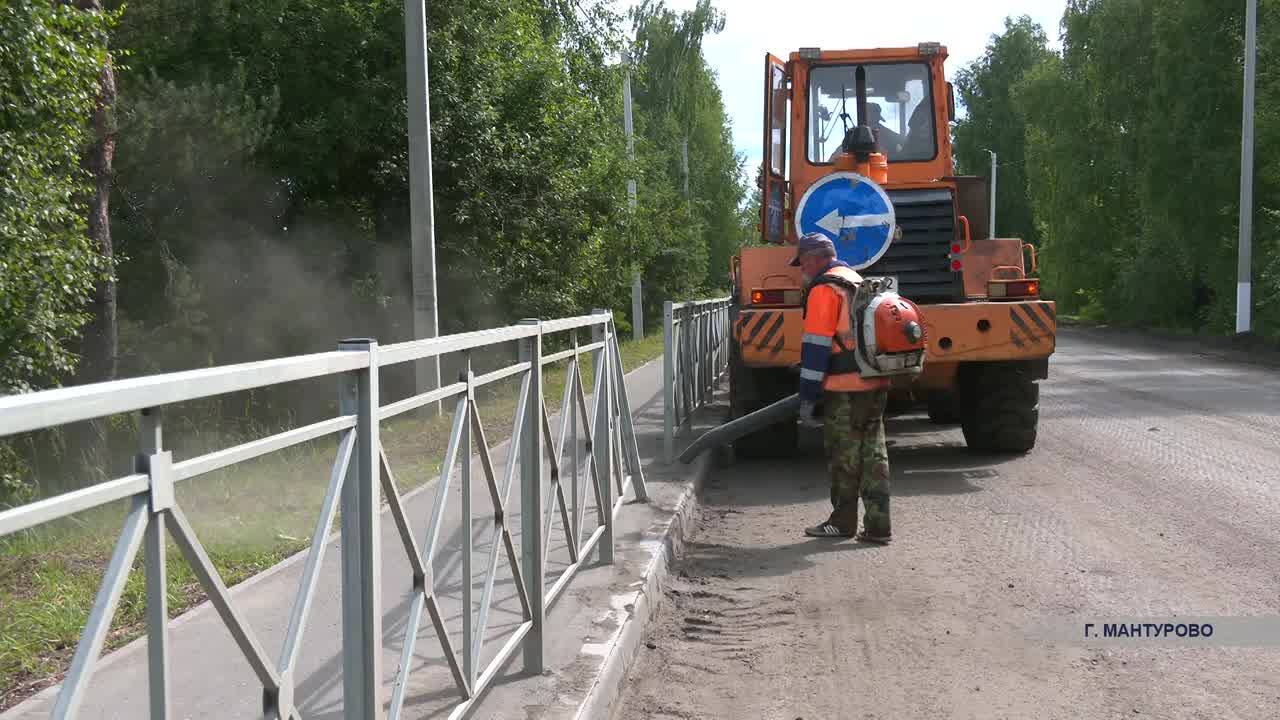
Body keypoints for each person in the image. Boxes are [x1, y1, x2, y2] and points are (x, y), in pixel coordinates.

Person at [791, 232, 892, 542]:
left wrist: (808, 397)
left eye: (803, 262)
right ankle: (878, 526)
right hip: (874, 379)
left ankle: (842, 522)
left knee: (844, 456)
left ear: (816, 258)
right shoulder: (855, 279)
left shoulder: (824, 289)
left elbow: (816, 347)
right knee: (874, 453)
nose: (802, 268)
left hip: (844, 387)